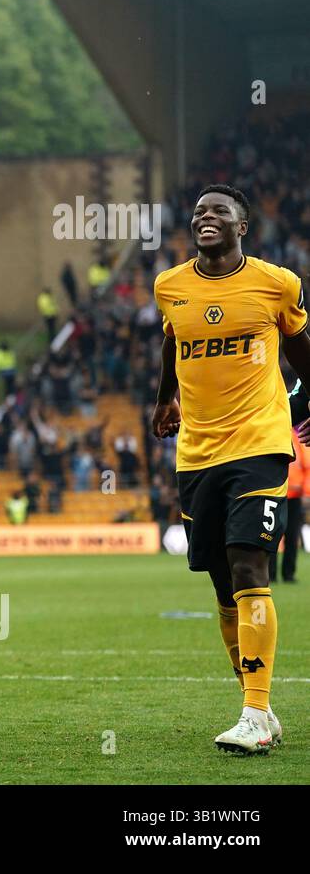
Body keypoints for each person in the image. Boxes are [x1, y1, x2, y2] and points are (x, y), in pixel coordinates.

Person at [152, 183, 310, 754]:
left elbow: (300, 345)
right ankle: (256, 704)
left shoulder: (275, 283)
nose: (205, 217)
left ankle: (254, 711)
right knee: (223, 583)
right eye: (198, 212)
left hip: (260, 443)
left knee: (249, 568)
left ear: (243, 225)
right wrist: (165, 397)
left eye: (218, 211)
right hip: (197, 452)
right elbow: (172, 341)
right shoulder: (169, 286)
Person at [277, 427, 307, 584]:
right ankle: (270, 574)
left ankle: (288, 574)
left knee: (292, 535)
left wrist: (306, 492)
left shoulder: (296, 437)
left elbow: (306, 465)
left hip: (294, 496)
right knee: (269, 536)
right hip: (274, 493)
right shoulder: (273, 433)